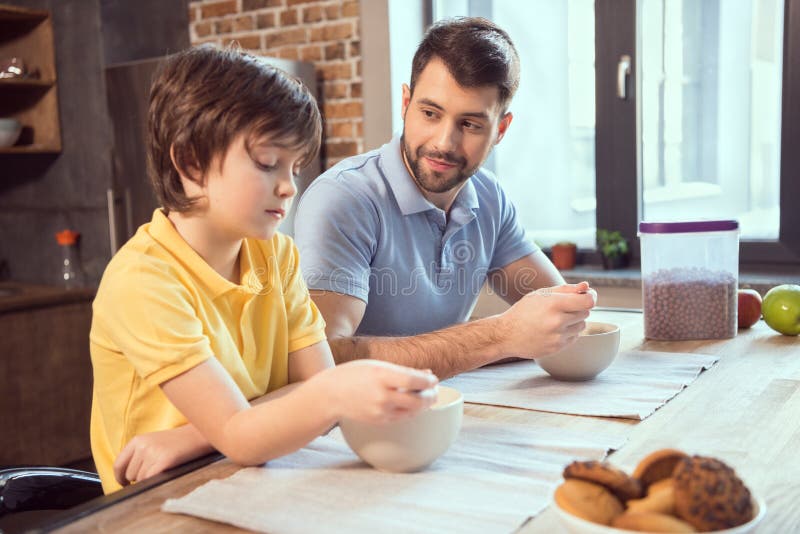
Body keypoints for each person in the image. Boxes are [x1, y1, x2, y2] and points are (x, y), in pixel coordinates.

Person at [89, 45, 437, 494]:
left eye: (294, 166)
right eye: (268, 163)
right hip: (157, 501)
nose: (290, 186)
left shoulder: (278, 257)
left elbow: (309, 393)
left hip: (246, 473)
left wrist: (197, 436)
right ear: (191, 162)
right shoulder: (144, 281)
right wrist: (240, 426)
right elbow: (270, 420)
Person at [294, 17, 596, 380]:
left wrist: (567, 310)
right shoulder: (343, 199)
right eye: (430, 113)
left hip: (452, 410)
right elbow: (324, 357)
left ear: (500, 129)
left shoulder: (489, 197)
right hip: (357, 427)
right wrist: (500, 336)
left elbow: (558, 307)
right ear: (405, 103)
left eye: (470, 124)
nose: (443, 142)